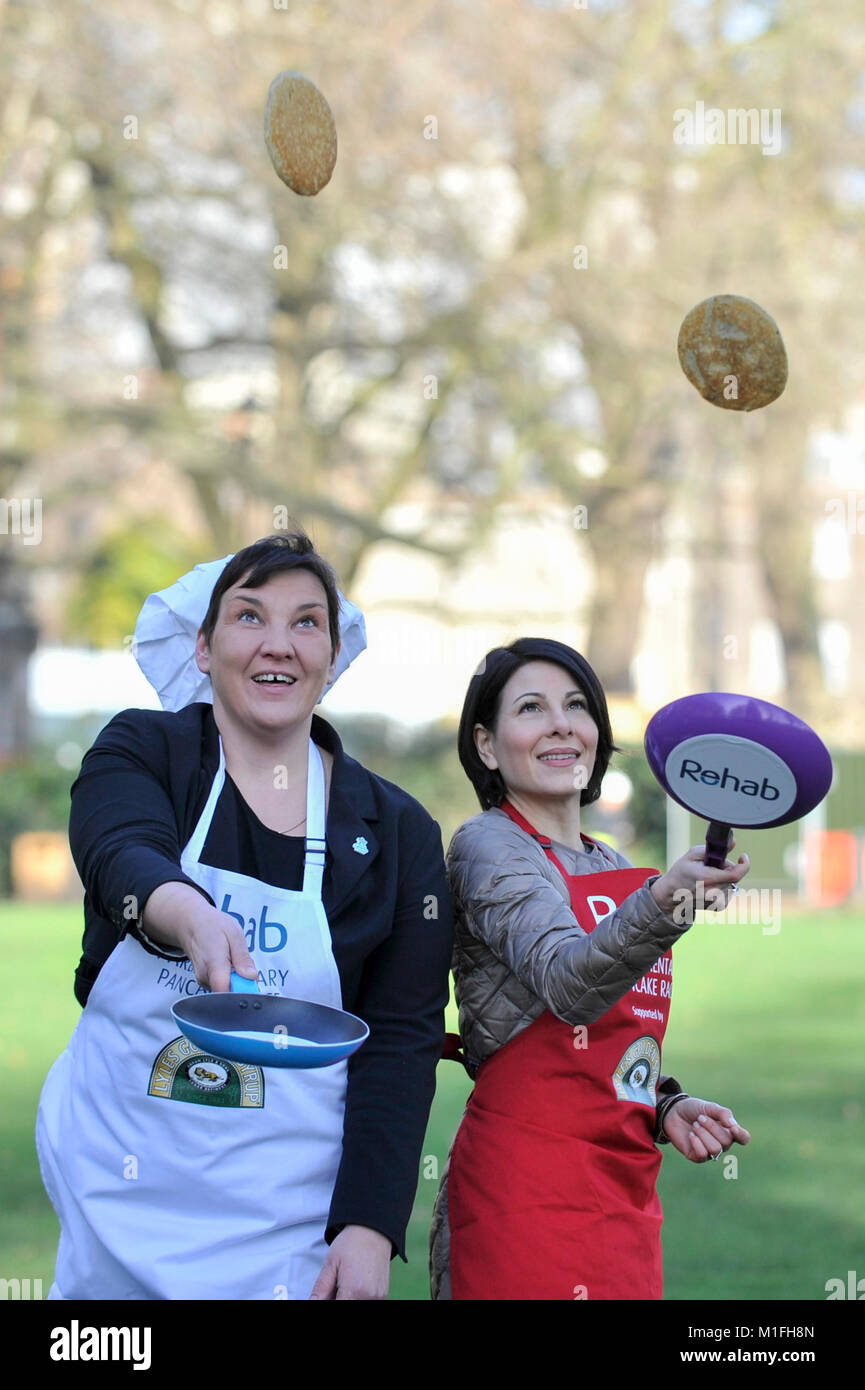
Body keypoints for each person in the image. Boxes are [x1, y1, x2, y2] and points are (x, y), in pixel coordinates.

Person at [35, 531, 453, 1301]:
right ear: (203, 648)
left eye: (306, 623)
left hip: (286, 1219)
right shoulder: (145, 750)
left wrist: (367, 1226)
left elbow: (401, 1041)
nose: (280, 645)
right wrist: (185, 914)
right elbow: (118, 848)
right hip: (120, 1185)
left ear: (331, 656)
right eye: (250, 617)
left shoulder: (397, 831)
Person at [430, 638, 751, 1301]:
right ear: (488, 746)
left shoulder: (612, 867)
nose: (561, 723)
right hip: (522, 1191)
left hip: (621, 1192)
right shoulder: (488, 844)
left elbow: (611, 1037)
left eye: (576, 705)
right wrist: (666, 899)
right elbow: (569, 984)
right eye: (531, 708)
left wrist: (661, 1103)